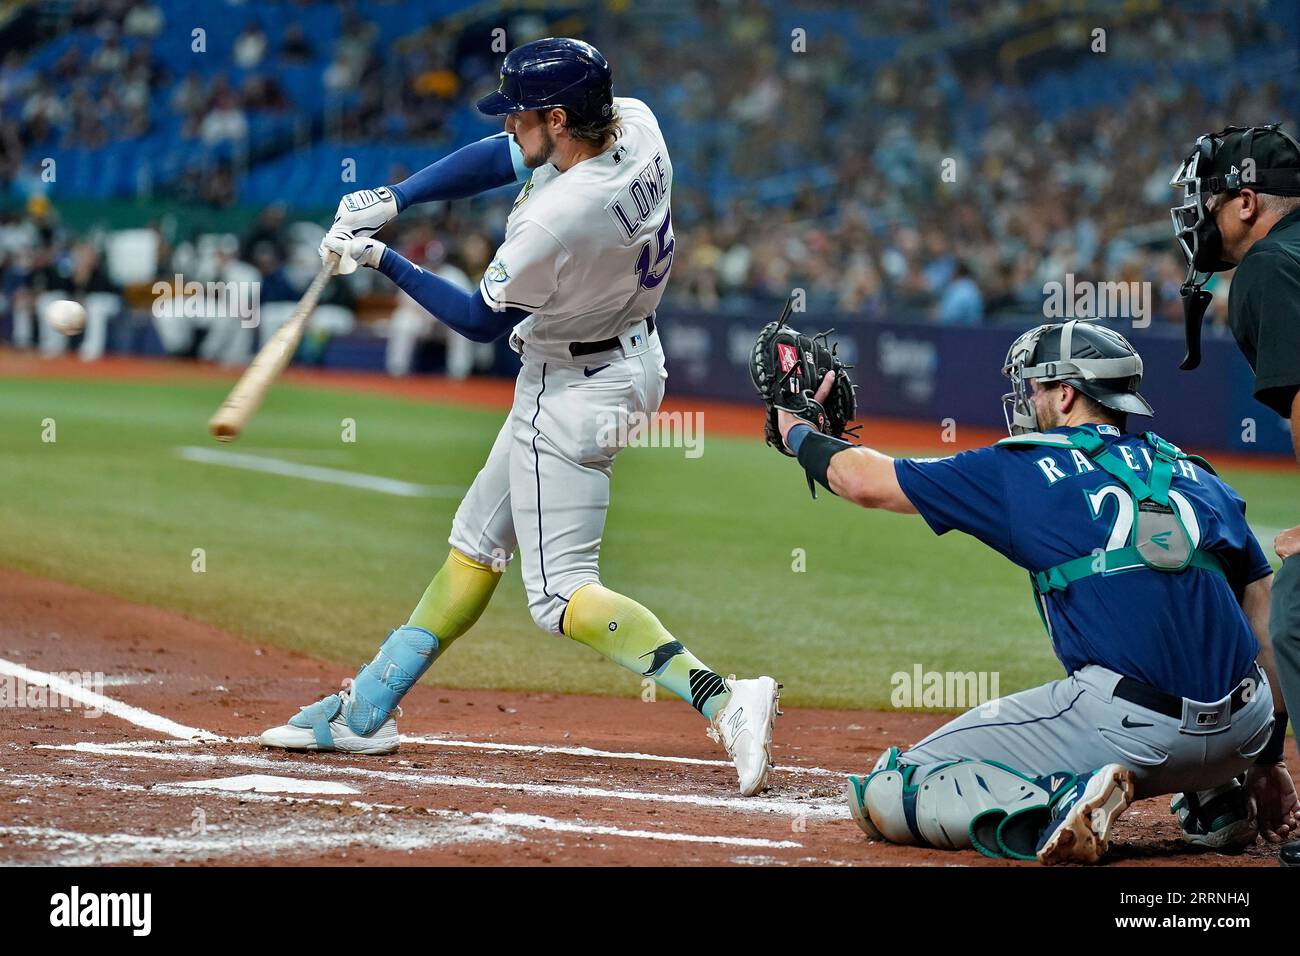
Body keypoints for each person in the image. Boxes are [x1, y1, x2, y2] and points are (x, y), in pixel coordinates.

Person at [259, 38, 780, 796]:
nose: (511, 126)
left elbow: (476, 320)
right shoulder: (634, 122)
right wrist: (398, 198)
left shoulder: (559, 218)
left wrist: (380, 260)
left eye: (524, 115)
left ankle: (726, 699)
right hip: (632, 361)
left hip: (568, 389)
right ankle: (364, 711)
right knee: (475, 544)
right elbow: (509, 158)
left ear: (561, 119)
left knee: (561, 596)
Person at [769, 318, 1294, 863]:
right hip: (1245, 732)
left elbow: (864, 482)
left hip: (1131, 733)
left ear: (1066, 394)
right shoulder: (1198, 472)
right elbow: (1264, 612)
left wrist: (797, 431)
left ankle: (1059, 800)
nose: (1026, 397)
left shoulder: (1019, 466)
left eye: (1036, 385)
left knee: (893, 785)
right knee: (1187, 627)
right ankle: (1220, 803)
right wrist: (1268, 758)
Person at [1171, 123, 1300, 864]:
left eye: (1209, 200)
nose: (1198, 217)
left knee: (1299, 608)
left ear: (1247, 202)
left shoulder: (1269, 268)